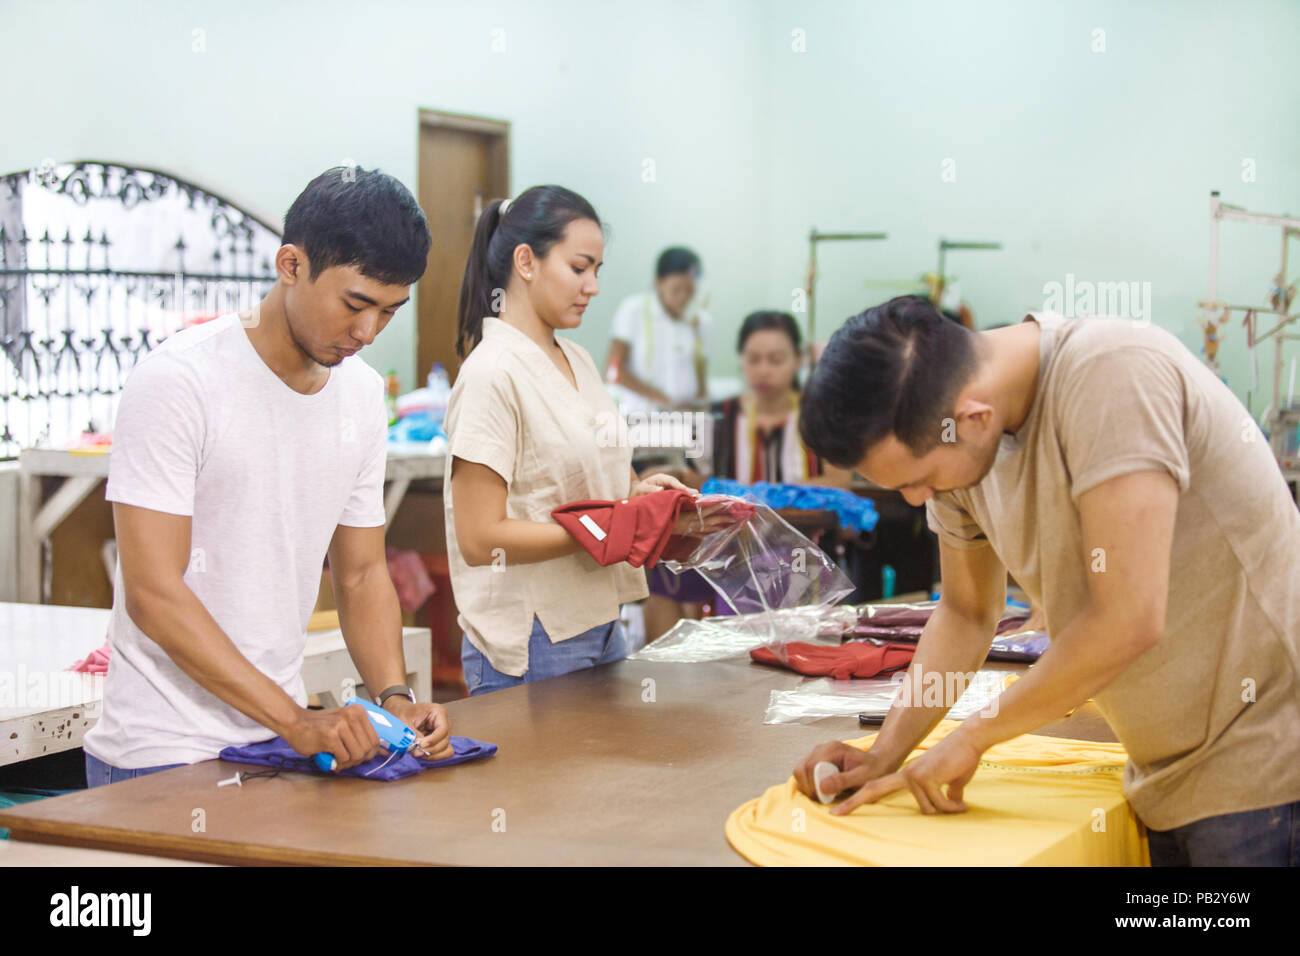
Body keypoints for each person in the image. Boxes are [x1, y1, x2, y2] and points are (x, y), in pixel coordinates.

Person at [791, 294, 1300, 866]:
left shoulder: (1115, 376)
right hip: (1163, 766)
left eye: (923, 478)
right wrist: (886, 752)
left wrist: (973, 737)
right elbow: (965, 612)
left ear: (972, 418)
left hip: (1263, 763)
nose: (916, 499)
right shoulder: (964, 437)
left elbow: (1127, 617)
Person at [83, 166, 453, 786]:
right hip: (161, 753)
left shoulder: (361, 396)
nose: (367, 333)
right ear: (290, 265)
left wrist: (394, 699)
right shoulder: (181, 381)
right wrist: (296, 720)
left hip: (275, 744)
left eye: (389, 312)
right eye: (355, 304)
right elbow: (153, 592)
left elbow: (360, 574)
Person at [446, 186, 716, 696]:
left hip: (600, 621)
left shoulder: (578, 359)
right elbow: (480, 539)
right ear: (525, 261)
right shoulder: (492, 374)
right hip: (535, 636)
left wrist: (641, 498)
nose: (592, 286)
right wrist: (605, 527)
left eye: (597, 271)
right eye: (579, 268)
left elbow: (593, 488)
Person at [644, 310, 852, 640]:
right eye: (754, 359)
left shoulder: (819, 416)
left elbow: (840, 481)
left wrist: (760, 495)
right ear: (741, 360)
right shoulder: (719, 416)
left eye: (775, 359)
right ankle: (666, 668)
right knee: (663, 569)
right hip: (724, 542)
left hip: (801, 542)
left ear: (798, 360)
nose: (763, 369)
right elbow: (696, 479)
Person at [605, 246, 710, 411]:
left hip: (684, 418)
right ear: (659, 283)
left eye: (690, 290)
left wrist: (703, 410)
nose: (683, 297)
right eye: (677, 290)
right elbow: (613, 368)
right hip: (638, 415)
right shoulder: (634, 310)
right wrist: (665, 401)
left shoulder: (700, 321)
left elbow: (701, 375)